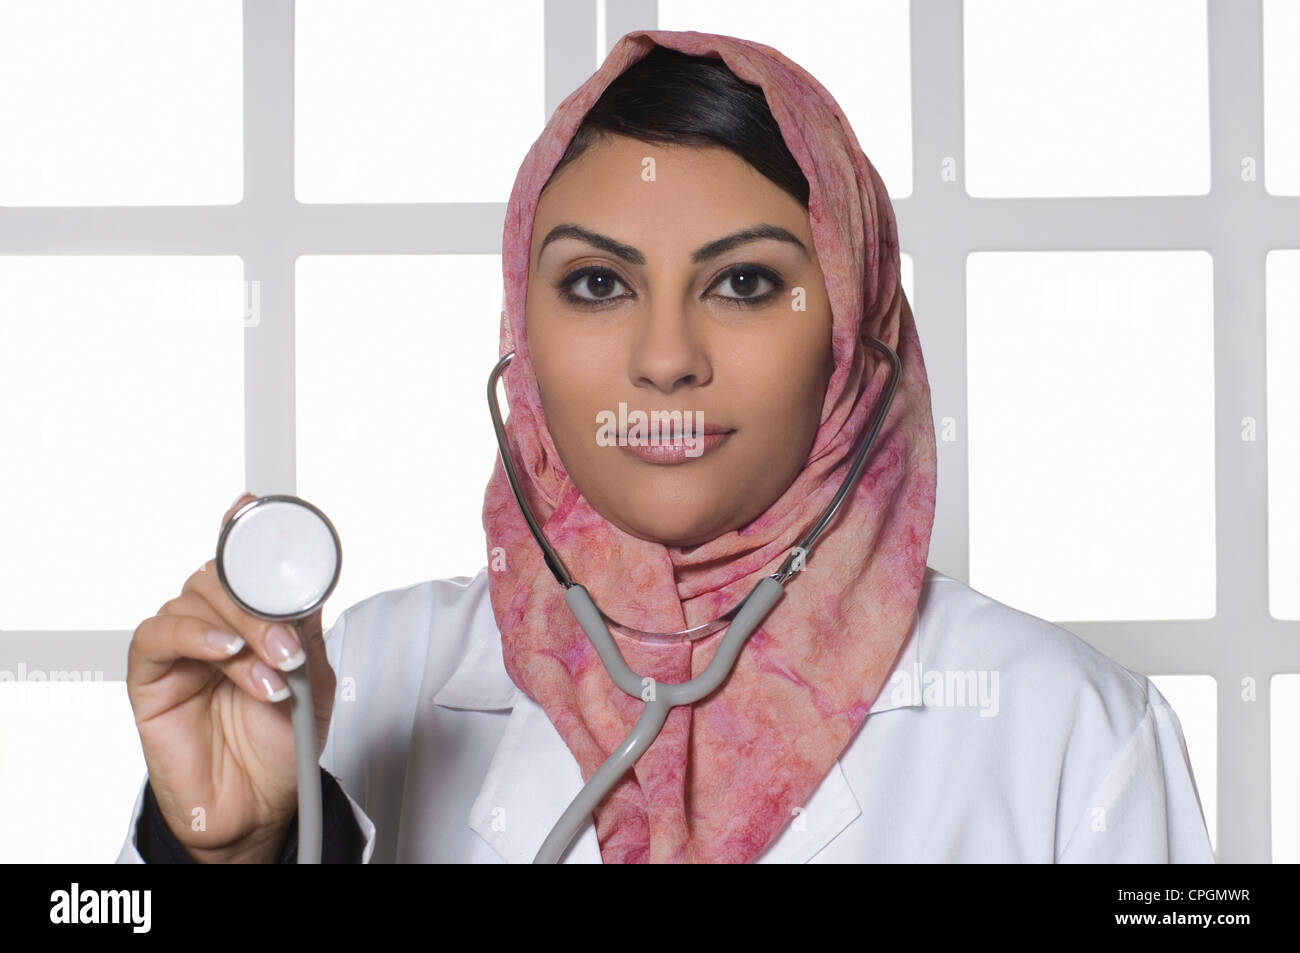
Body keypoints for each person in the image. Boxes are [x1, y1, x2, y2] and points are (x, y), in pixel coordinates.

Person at [117, 29, 1215, 864]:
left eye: (744, 283)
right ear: (522, 331)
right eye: (598, 284)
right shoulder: (370, 674)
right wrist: (220, 853)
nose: (664, 357)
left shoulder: (1072, 731)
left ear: (853, 331)